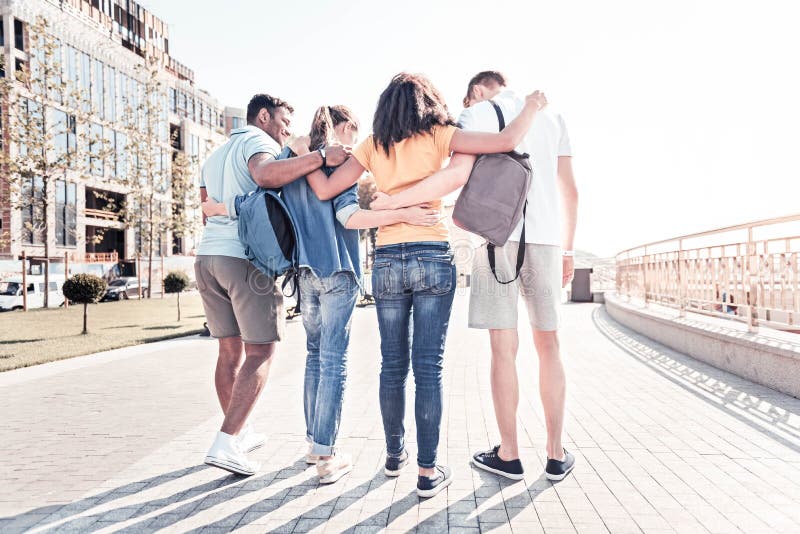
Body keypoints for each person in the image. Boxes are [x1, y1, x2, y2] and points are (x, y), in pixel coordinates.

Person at [295, 73, 548, 497]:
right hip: (432, 253)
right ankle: (428, 472)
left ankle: (395, 456)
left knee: (391, 365)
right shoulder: (441, 134)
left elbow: (324, 190)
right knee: (428, 367)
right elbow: (506, 141)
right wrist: (532, 107)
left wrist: (307, 157)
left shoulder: (374, 144)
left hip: (389, 259)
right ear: (429, 102)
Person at [201, 105, 439, 484]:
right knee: (333, 361)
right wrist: (403, 214)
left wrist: (219, 207)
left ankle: (314, 443)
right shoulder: (335, 163)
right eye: (353, 129)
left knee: (315, 356)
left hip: (305, 274)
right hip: (338, 270)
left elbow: (260, 199)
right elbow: (348, 218)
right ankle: (327, 454)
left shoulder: (290, 159)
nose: (355, 140)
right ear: (341, 127)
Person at [371, 71, 579, 482]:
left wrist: (393, 202)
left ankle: (510, 454)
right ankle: (556, 455)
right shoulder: (553, 117)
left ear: (479, 89)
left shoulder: (477, 114)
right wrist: (568, 249)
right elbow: (569, 189)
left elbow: (455, 176)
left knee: (504, 347)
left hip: (494, 240)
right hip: (547, 241)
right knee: (549, 343)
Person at [196, 93, 350, 476]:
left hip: (208, 258)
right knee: (261, 352)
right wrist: (318, 158)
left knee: (229, 353)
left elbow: (205, 208)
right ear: (263, 115)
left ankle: (240, 433)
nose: (286, 129)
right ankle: (227, 441)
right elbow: (265, 175)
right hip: (244, 261)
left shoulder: (214, 156)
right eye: (282, 120)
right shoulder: (258, 141)